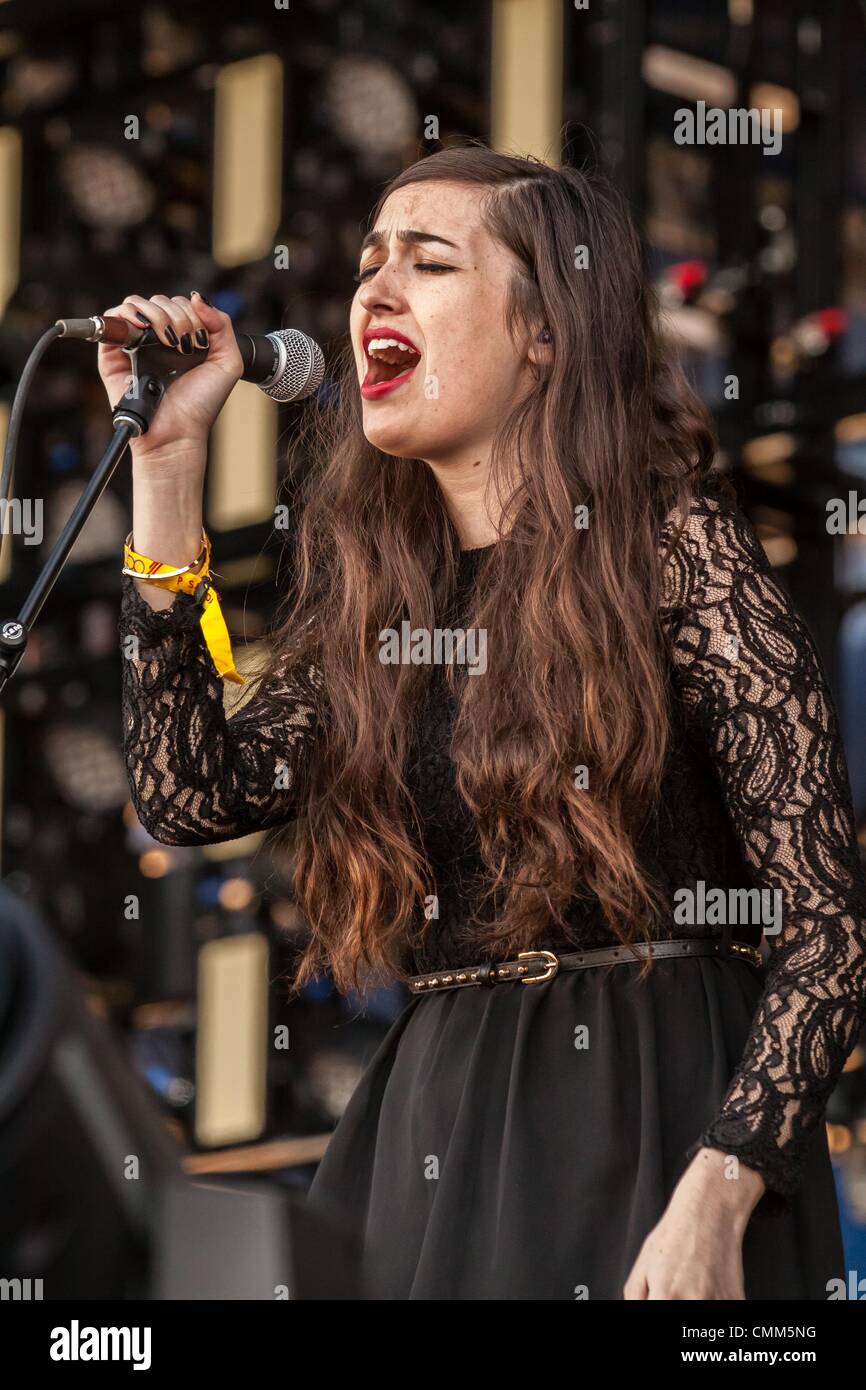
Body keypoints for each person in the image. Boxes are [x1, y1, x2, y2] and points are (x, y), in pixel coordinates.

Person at [100, 145, 866, 1301]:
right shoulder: (377, 603)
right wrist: (167, 468)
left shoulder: (670, 553)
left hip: (652, 1106)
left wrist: (719, 1187)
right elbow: (189, 795)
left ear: (543, 332)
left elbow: (825, 928)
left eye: (429, 260)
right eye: (368, 261)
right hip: (436, 1110)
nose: (375, 289)